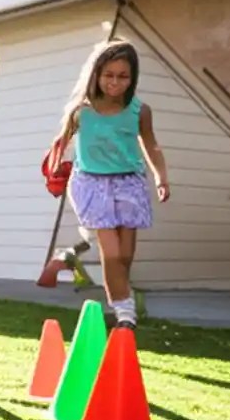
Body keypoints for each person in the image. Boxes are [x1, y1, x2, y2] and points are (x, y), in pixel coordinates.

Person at [48, 40, 169, 329]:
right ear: (97, 75)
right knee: (112, 253)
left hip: (129, 183)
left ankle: (119, 292)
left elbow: (151, 146)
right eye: (109, 75)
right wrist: (54, 169)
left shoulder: (140, 111)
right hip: (91, 184)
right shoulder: (81, 111)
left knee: (125, 256)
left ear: (133, 78)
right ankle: (124, 312)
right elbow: (60, 141)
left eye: (123, 76)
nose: (115, 82)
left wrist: (161, 176)